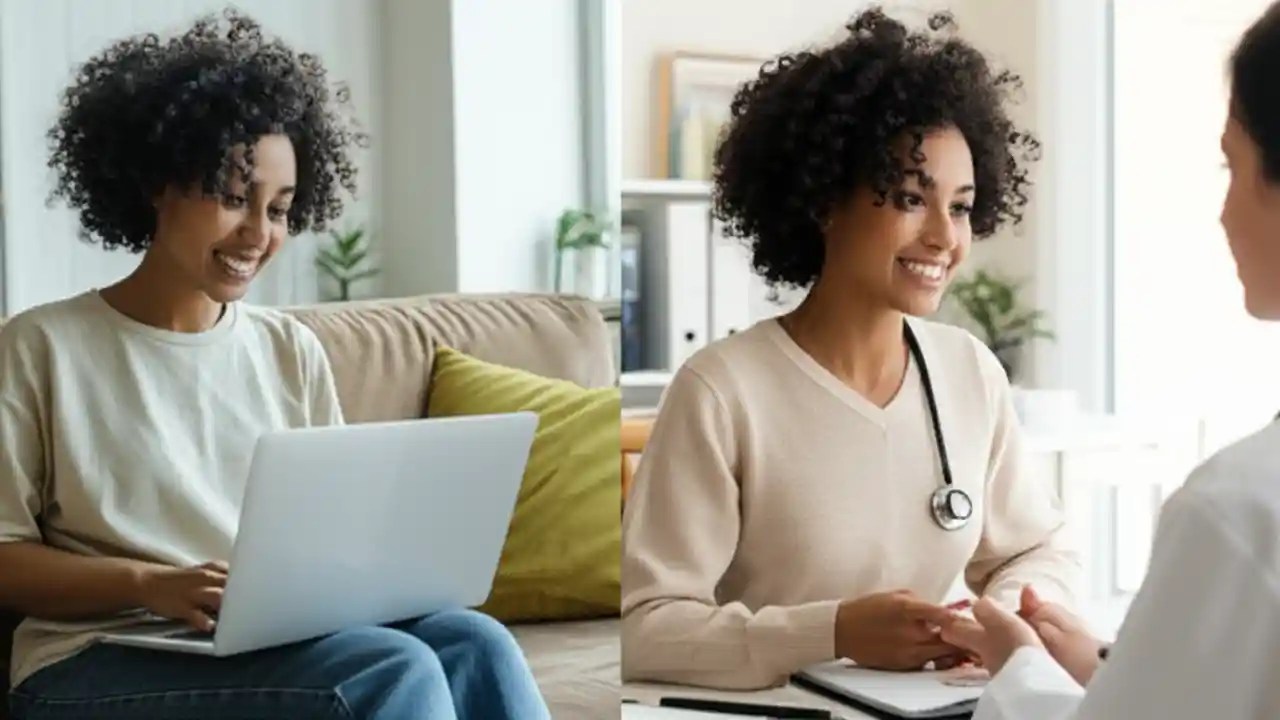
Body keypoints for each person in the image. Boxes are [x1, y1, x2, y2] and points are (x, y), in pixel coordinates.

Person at [0, 10, 549, 720]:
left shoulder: (290, 350)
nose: (258, 234)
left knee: (474, 641)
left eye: (281, 210)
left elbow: (338, 536)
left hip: (255, 644)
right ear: (157, 184)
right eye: (234, 199)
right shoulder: (39, 347)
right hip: (90, 661)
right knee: (390, 669)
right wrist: (151, 584)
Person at [620, 6, 1080, 692]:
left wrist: (999, 620)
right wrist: (831, 632)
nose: (945, 238)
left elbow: (1039, 550)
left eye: (960, 206)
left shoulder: (968, 371)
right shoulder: (721, 391)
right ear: (824, 200)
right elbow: (645, 628)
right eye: (910, 198)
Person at [937, 4, 1280, 718]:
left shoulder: (1237, 513)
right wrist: (1111, 667)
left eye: (1232, 165)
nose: (1222, 211)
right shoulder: (724, 390)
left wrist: (1021, 667)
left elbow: (1036, 547)